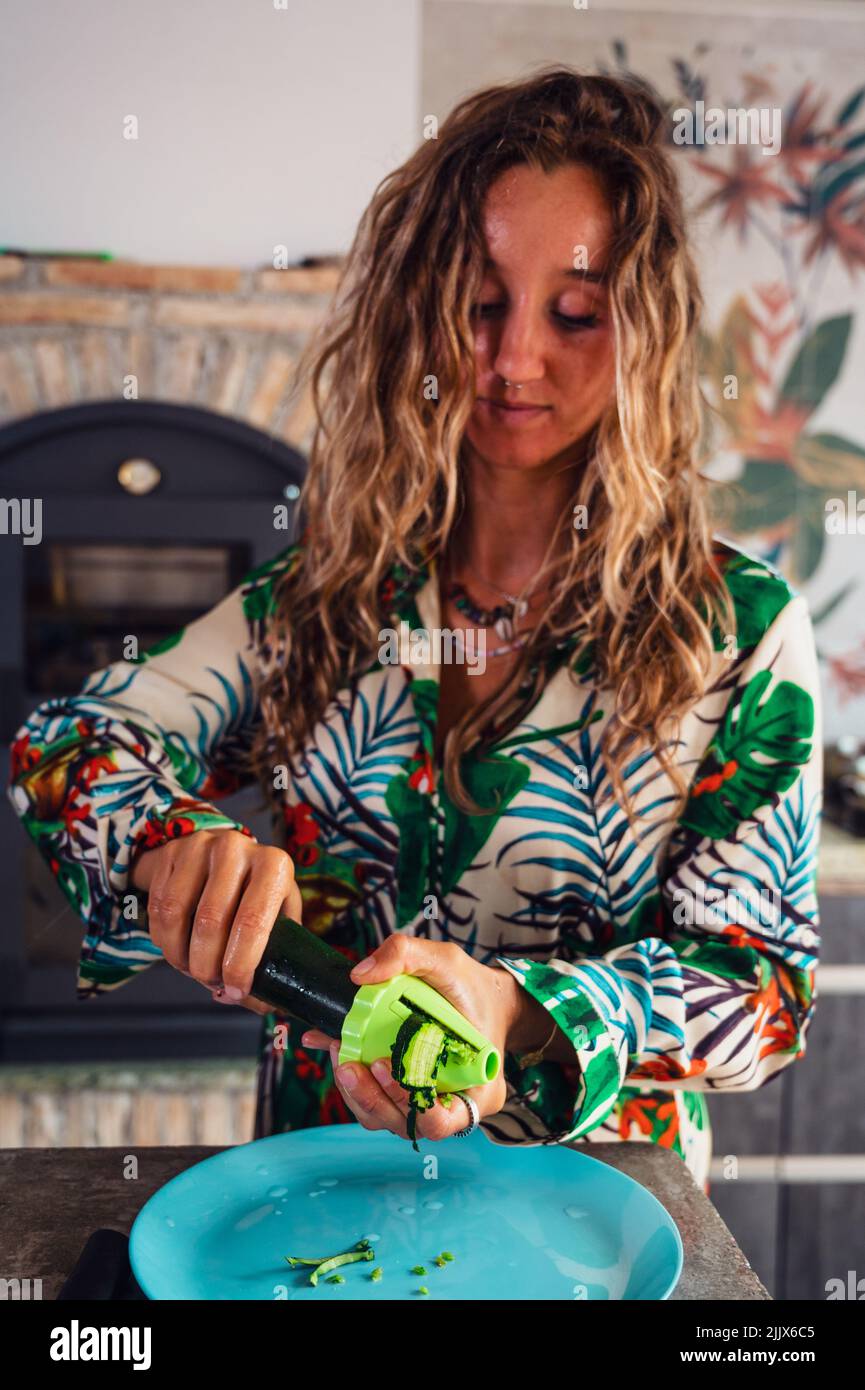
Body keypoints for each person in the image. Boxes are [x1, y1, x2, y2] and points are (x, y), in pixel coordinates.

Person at [7, 66, 822, 1191]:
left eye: (575, 312)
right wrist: (169, 844)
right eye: (480, 304)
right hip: (315, 1183)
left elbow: (764, 993)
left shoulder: (738, 632)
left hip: (596, 1213)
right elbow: (63, 744)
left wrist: (524, 1009)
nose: (515, 358)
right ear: (422, 308)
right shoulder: (323, 601)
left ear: (643, 330)